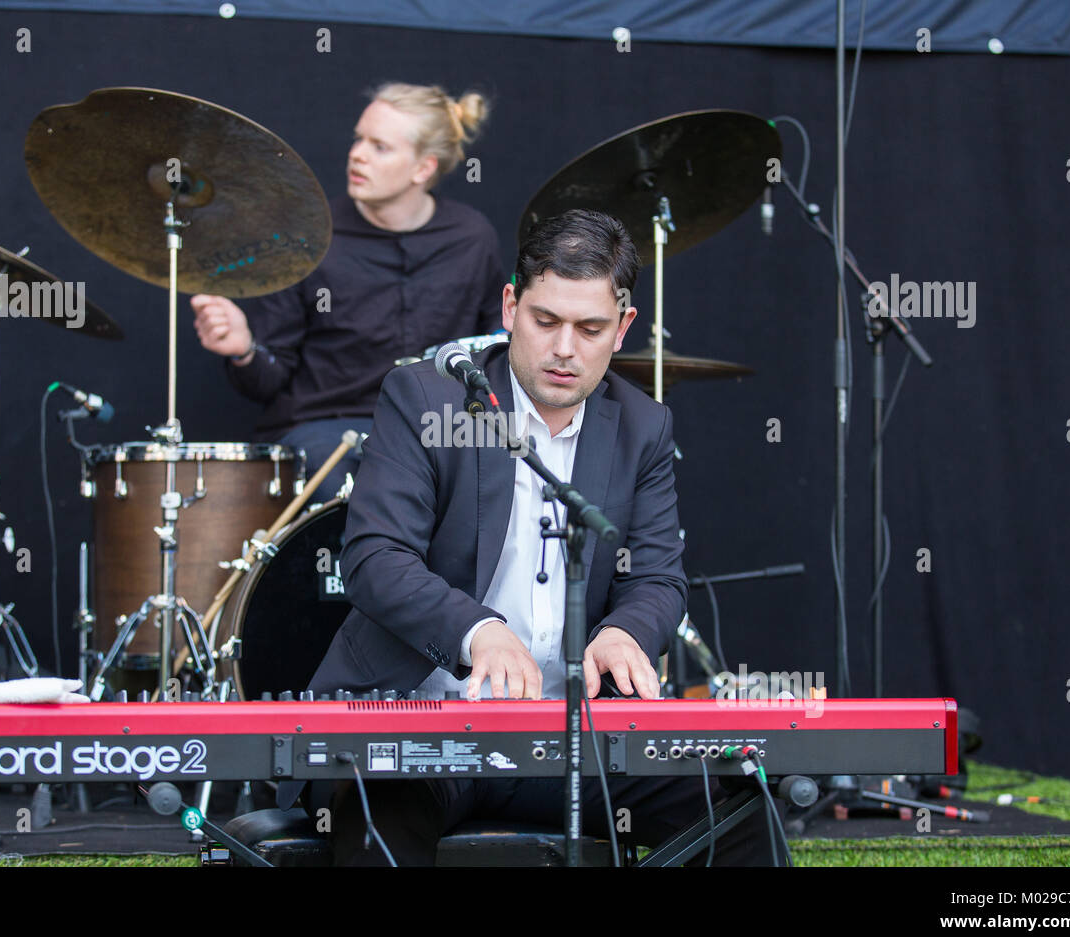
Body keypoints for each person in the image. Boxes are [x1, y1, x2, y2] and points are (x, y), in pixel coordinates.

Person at [290, 208, 776, 865]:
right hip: (419, 728)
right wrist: (477, 631)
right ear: (510, 306)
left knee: (737, 810)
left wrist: (625, 632)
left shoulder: (644, 426)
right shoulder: (427, 399)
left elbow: (657, 578)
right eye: (545, 321)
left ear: (623, 327)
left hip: (568, 737)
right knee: (379, 821)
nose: (564, 349)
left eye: (590, 328)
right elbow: (375, 558)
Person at [192, 82, 505, 500]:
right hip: (328, 428)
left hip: (434, 425)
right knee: (344, 480)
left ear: (423, 168)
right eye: (359, 139)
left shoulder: (471, 237)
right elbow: (268, 381)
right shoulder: (309, 238)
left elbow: (495, 348)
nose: (357, 154)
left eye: (380, 146)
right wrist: (245, 349)